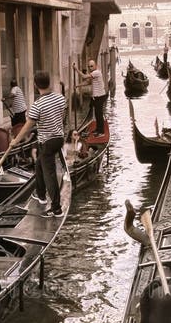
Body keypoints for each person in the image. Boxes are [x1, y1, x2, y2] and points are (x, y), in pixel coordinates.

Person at [17, 71, 66, 218]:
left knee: (49, 174)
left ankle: (56, 209)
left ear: (35, 85)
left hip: (47, 142)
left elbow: (27, 126)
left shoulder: (37, 105)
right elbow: (61, 117)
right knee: (39, 164)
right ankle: (41, 195)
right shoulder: (60, 98)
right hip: (59, 139)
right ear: (49, 82)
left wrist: (15, 141)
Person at [75, 59, 107, 133]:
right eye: (89, 66)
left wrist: (76, 69)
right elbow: (87, 82)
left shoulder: (96, 72)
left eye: (91, 66)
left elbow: (84, 77)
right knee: (96, 113)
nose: (90, 68)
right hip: (96, 97)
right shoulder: (93, 74)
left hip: (99, 96)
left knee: (99, 114)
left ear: (96, 66)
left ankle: (101, 131)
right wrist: (77, 85)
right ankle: (98, 129)